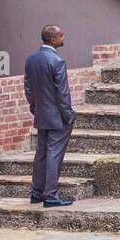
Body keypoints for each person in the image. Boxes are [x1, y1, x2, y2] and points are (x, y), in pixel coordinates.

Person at [24, 24, 74, 208]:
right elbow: (63, 93)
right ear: (52, 40)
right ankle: (51, 195)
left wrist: (35, 107)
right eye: (61, 35)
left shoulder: (31, 59)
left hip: (41, 115)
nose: (63, 37)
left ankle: (36, 193)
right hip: (57, 117)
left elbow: (28, 88)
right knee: (54, 155)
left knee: (41, 154)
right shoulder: (57, 61)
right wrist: (69, 115)